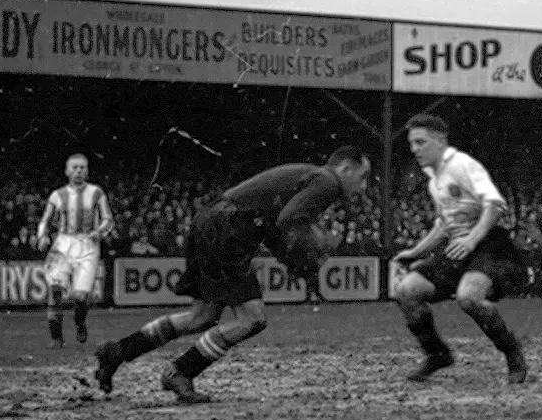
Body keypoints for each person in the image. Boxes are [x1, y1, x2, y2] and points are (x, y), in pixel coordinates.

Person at [90, 147, 372, 402]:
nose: (364, 186)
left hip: (211, 221)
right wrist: (314, 245)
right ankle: (180, 371)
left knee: (201, 317)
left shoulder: (309, 175)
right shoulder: (328, 181)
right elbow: (290, 221)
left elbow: (279, 222)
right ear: (345, 169)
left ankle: (118, 351)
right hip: (229, 229)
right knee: (251, 319)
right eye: (362, 177)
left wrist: (291, 255)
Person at [391, 114, 531, 384]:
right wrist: (416, 251)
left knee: (469, 298)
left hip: (488, 244)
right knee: (407, 291)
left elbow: (495, 204)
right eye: (412, 143)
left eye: (421, 142)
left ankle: (511, 350)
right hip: (458, 247)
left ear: (441, 141)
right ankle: (437, 354)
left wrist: (472, 239)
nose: (414, 149)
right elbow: (444, 224)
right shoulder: (435, 180)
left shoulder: (462, 165)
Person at [35, 154, 114, 347]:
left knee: (80, 297)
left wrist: (100, 231)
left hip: (88, 245)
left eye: (82, 168)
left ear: (87, 171)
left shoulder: (96, 192)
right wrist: (42, 236)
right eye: (75, 168)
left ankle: (80, 323)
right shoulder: (57, 195)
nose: (78, 171)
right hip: (63, 243)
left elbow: (108, 219)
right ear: (67, 171)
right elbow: (45, 219)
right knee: (55, 290)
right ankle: (56, 338)